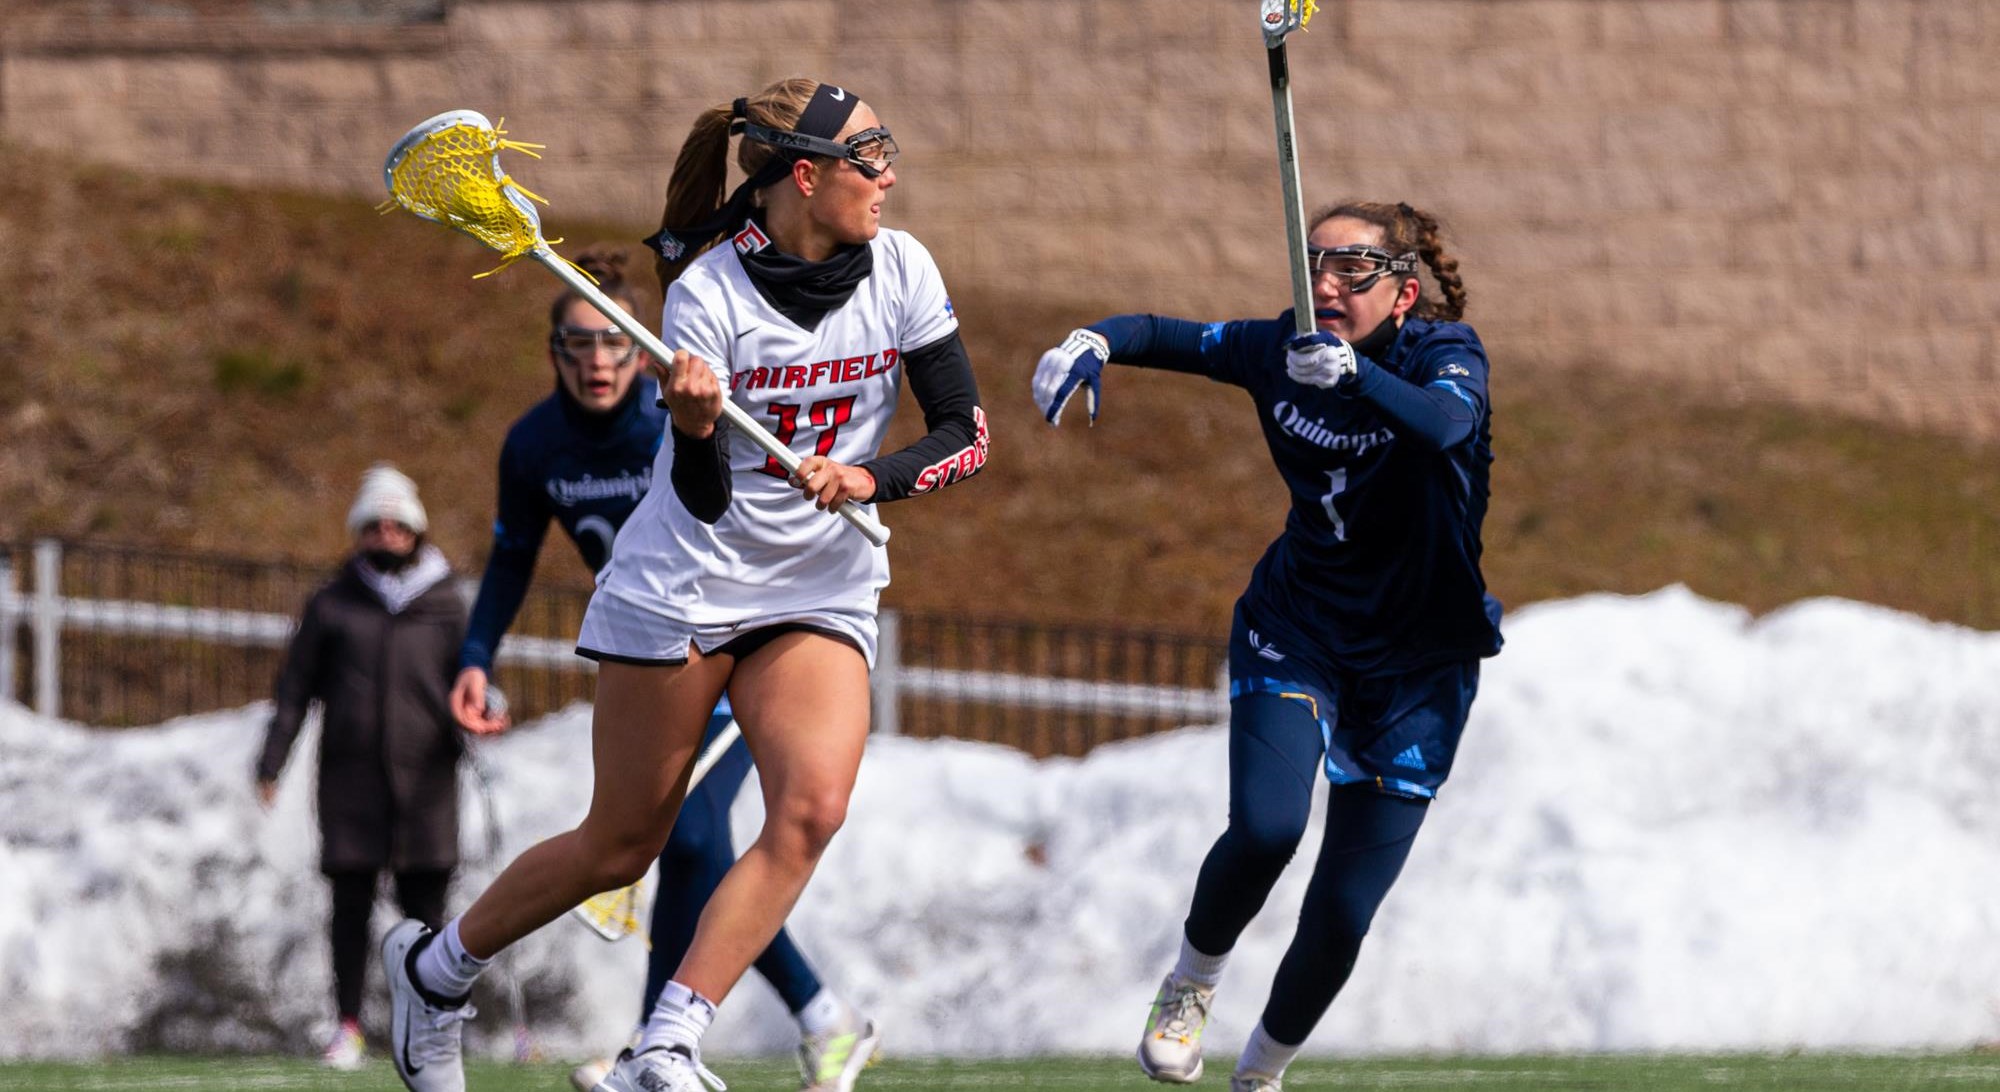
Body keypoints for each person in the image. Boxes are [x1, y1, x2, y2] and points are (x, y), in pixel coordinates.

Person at [382, 76, 988, 1092]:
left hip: (818, 586)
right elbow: (703, 500)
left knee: (810, 811)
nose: (889, 175)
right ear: (807, 176)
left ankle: (666, 1040)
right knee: (622, 845)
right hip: (688, 584)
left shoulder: (902, 268)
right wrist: (698, 427)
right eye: (870, 156)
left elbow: (965, 434)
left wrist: (868, 476)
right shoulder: (708, 293)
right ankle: (434, 973)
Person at [1031, 201, 1502, 1092]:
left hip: (1420, 665)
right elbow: (1164, 334)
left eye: (1352, 270)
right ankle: (1191, 983)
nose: (1325, 284)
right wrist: (1092, 340)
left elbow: (1446, 424)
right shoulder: (1281, 347)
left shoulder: (1445, 353)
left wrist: (1357, 377)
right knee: (1268, 827)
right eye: (1313, 263)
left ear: (1403, 293)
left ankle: (1260, 1075)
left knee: (1343, 914)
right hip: (1299, 629)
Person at [446, 244, 880, 1091]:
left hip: (743, 648)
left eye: (613, 343)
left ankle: (655, 1046)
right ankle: (823, 1017)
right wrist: (474, 656)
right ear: (554, 354)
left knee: (691, 839)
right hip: (653, 657)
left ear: (644, 351)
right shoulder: (533, 445)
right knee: (661, 844)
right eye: (579, 345)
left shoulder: (674, 420)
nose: (598, 362)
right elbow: (511, 557)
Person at [255, 464, 466, 1071]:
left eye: (397, 526)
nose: (385, 535)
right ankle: (348, 1024)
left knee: (426, 914)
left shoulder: (449, 605)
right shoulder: (331, 604)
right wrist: (272, 760)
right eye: (373, 526)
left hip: (427, 784)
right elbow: (294, 690)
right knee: (349, 906)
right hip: (351, 783)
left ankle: (428, 1025)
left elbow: (476, 681)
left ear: (416, 531)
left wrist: (481, 718)